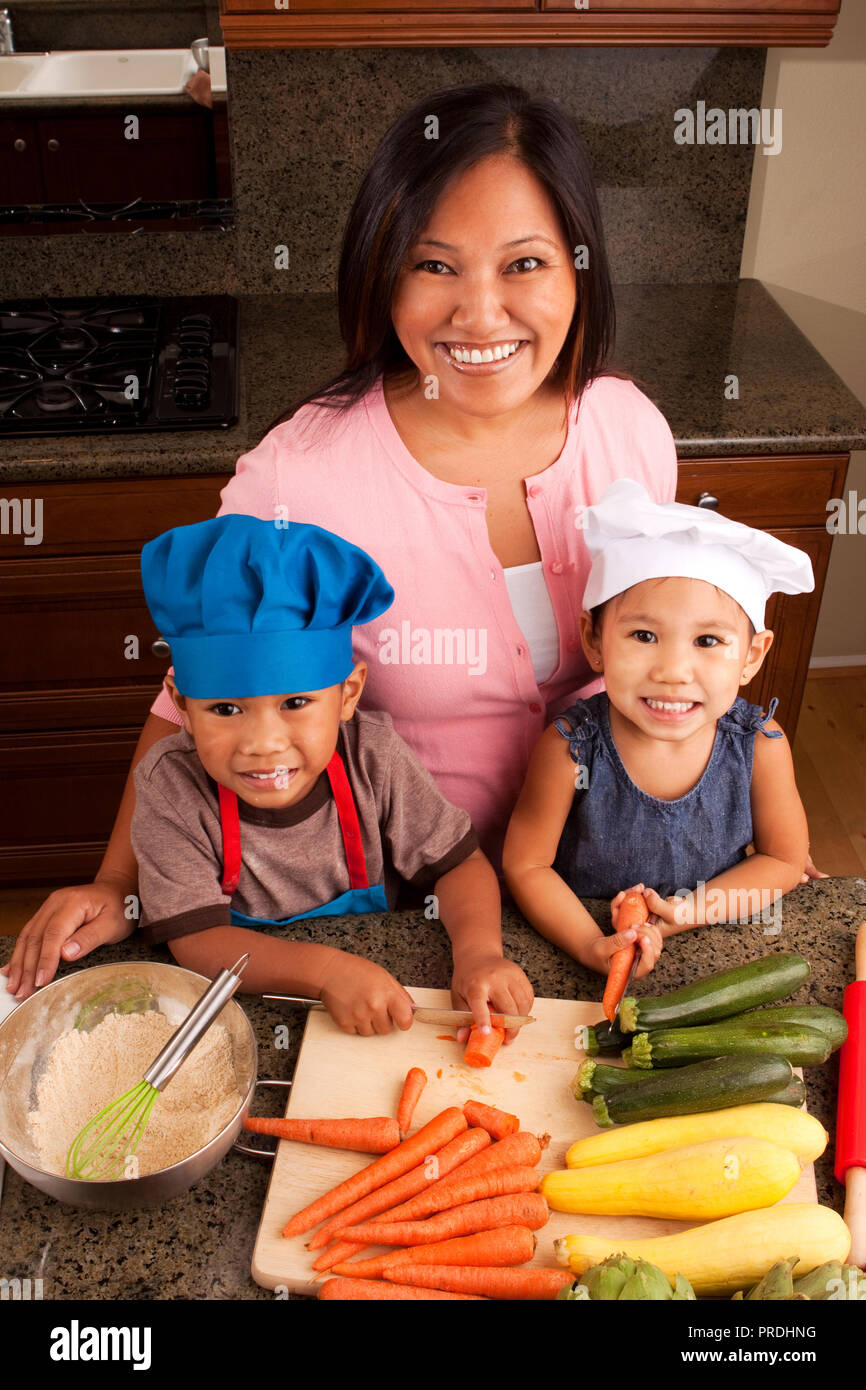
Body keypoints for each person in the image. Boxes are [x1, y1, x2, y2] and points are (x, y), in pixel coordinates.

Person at [3, 81, 819, 1002]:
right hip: (419, 903)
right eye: (435, 266)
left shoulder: (627, 431)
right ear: (381, 272)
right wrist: (116, 885)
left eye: (524, 265)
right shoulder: (300, 476)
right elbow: (187, 696)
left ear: (578, 269)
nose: (479, 315)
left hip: (607, 894)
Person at [130, 513, 532, 1037]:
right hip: (238, 1012)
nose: (262, 744)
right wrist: (324, 972)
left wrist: (479, 954)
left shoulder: (374, 759)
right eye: (225, 710)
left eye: (295, 702)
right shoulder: (171, 788)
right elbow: (200, 943)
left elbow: (460, 867)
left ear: (349, 693)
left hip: (377, 987)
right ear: (182, 702)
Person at [503, 479, 815, 980]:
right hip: (579, 935)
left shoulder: (760, 745)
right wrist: (591, 944)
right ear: (595, 639)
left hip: (714, 942)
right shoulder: (571, 749)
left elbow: (783, 858)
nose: (673, 670)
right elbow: (527, 865)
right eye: (643, 636)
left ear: (751, 656)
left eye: (708, 640)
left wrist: (684, 913)